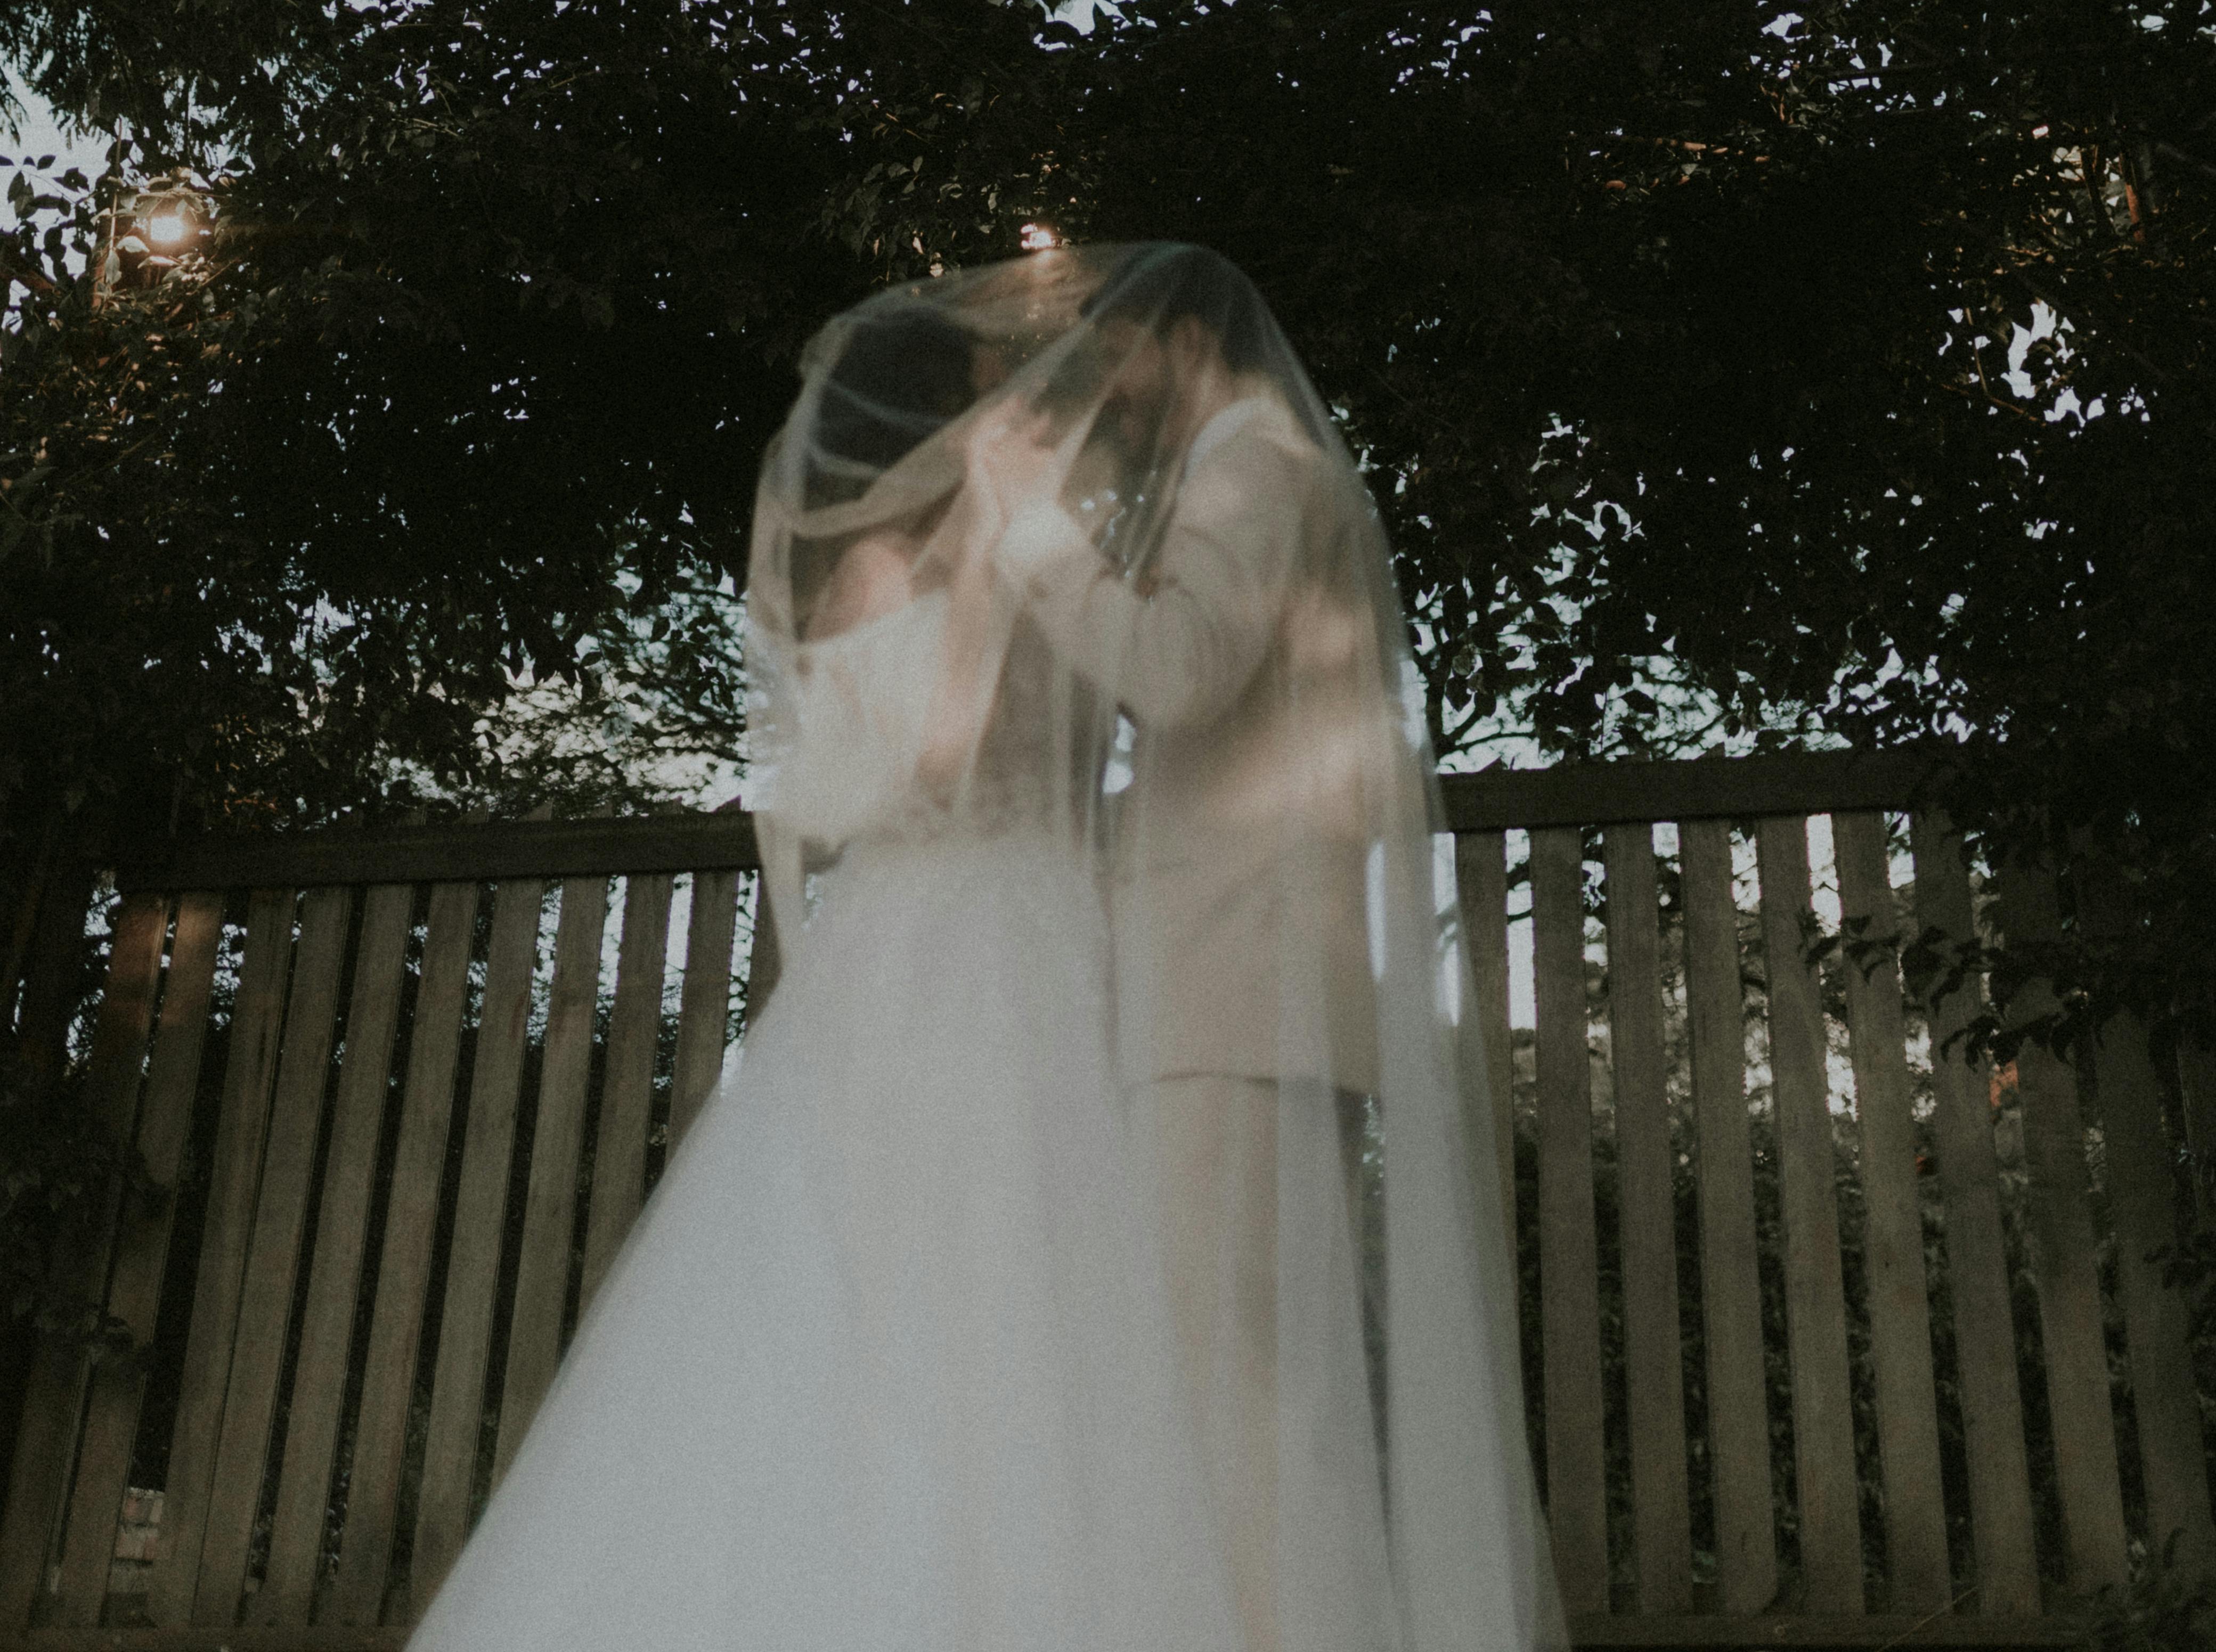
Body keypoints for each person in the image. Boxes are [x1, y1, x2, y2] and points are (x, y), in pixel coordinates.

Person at [406, 246, 1558, 1652]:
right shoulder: (974, 550)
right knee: (1026, 1312)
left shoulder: (1204, 486)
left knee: (1127, 1339)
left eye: (1102, 355)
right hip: (1028, 940)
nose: (1072, 391)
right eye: (990, 396)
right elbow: (941, 758)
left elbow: (1152, 687)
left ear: (1179, 335)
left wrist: (1024, 545)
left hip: (1110, 951)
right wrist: (1012, 557)